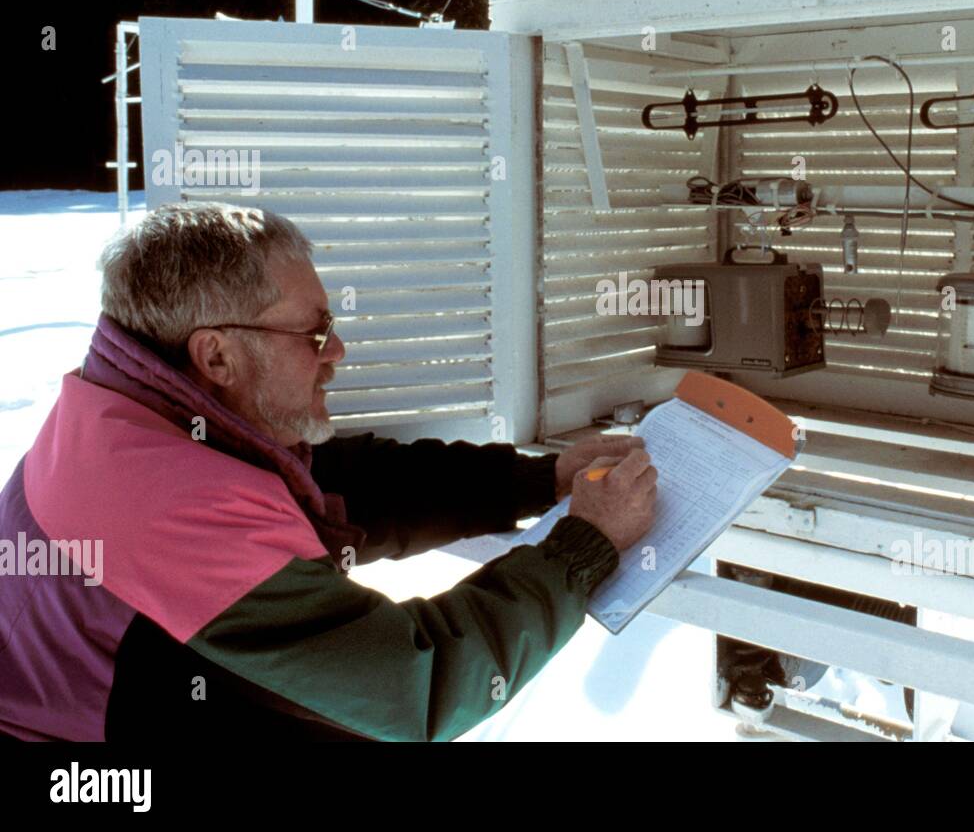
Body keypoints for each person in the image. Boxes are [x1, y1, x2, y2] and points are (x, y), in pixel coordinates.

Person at [0, 201, 657, 741]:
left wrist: (535, 479)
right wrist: (581, 550)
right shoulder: (176, 505)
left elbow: (329, 486)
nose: (337, 351)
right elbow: (410, 685)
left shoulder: (133, 405)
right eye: (314, 334)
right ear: (217, 355)